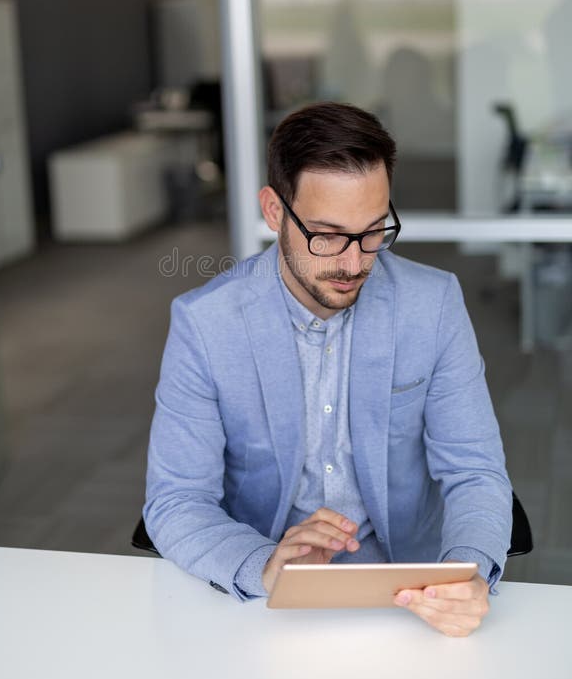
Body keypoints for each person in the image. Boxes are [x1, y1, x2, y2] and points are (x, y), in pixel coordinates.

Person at [144, 101, 512, 637]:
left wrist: (468, 572)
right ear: (274, 212)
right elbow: (177, 500)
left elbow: (475, 471)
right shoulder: (206, 325)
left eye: (373, 231)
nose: (354, 261)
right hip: (268, 601)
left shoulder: (433, 304)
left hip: (409, 595)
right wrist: (260, 564)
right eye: (327, 234)